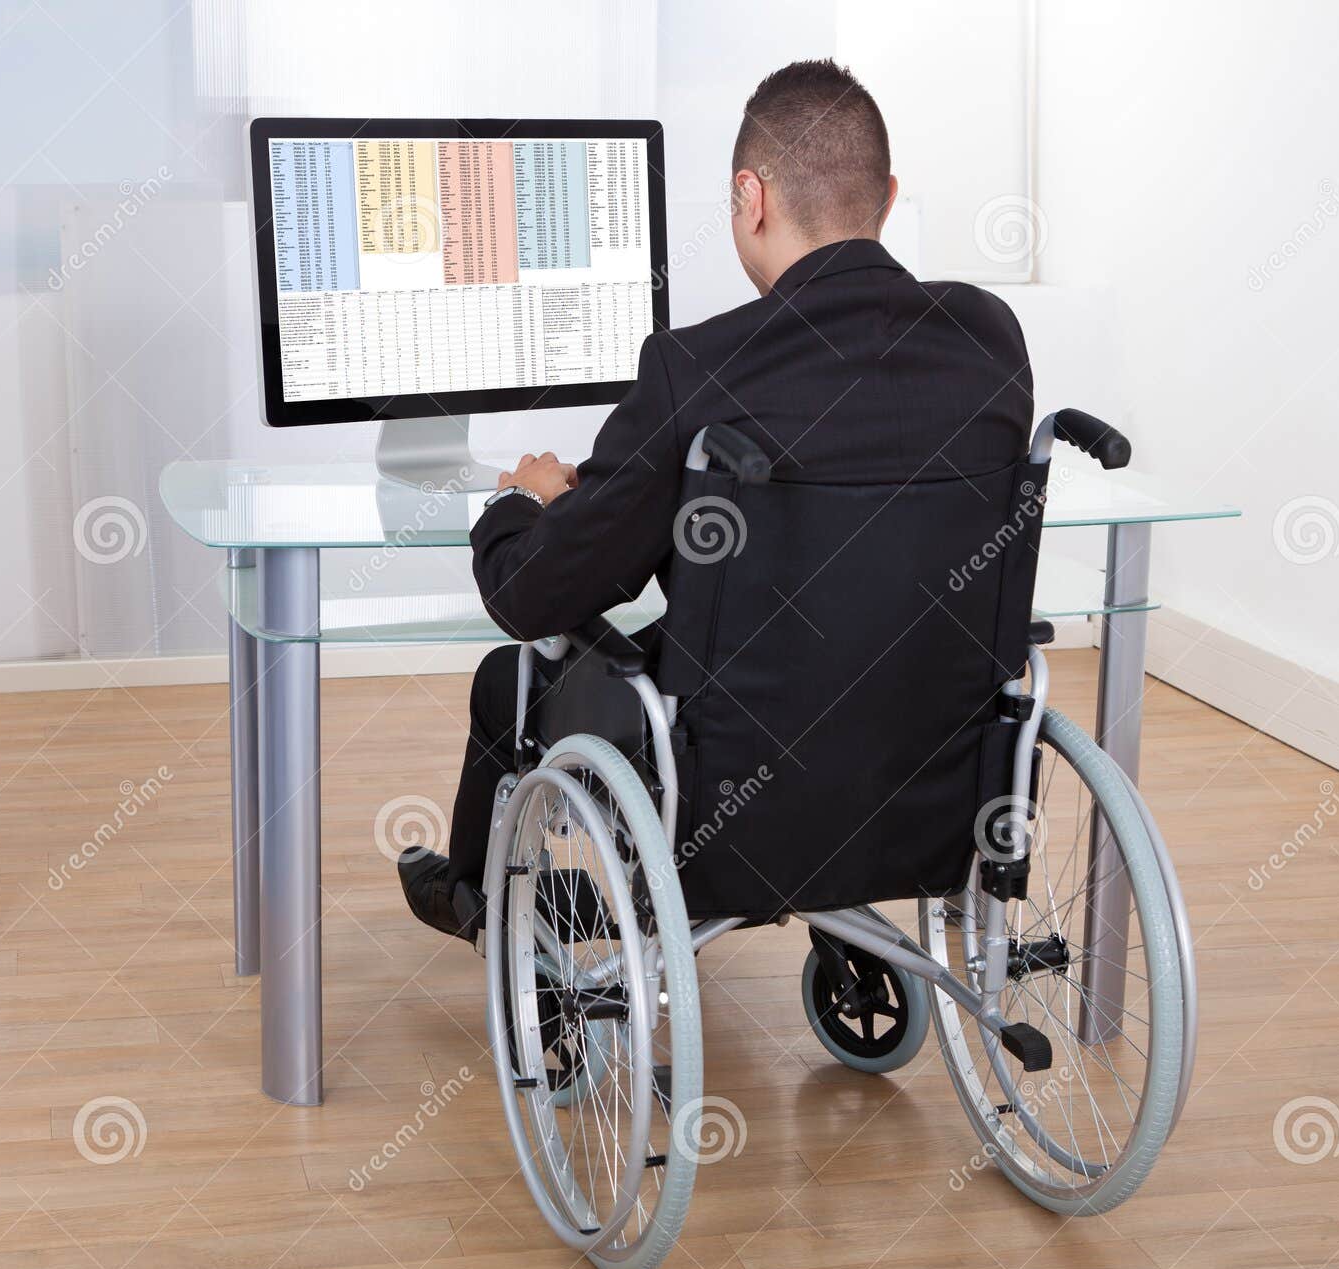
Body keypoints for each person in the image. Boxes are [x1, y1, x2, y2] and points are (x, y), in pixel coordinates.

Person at [399, 57, 1033, 939]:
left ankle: (475, 897)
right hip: (929, 777)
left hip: (734, 799)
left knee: (509, 678)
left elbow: (534, 596)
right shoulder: (988, 338)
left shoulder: (696, 368)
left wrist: (526, 506)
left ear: (752, 196)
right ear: (886, 197)